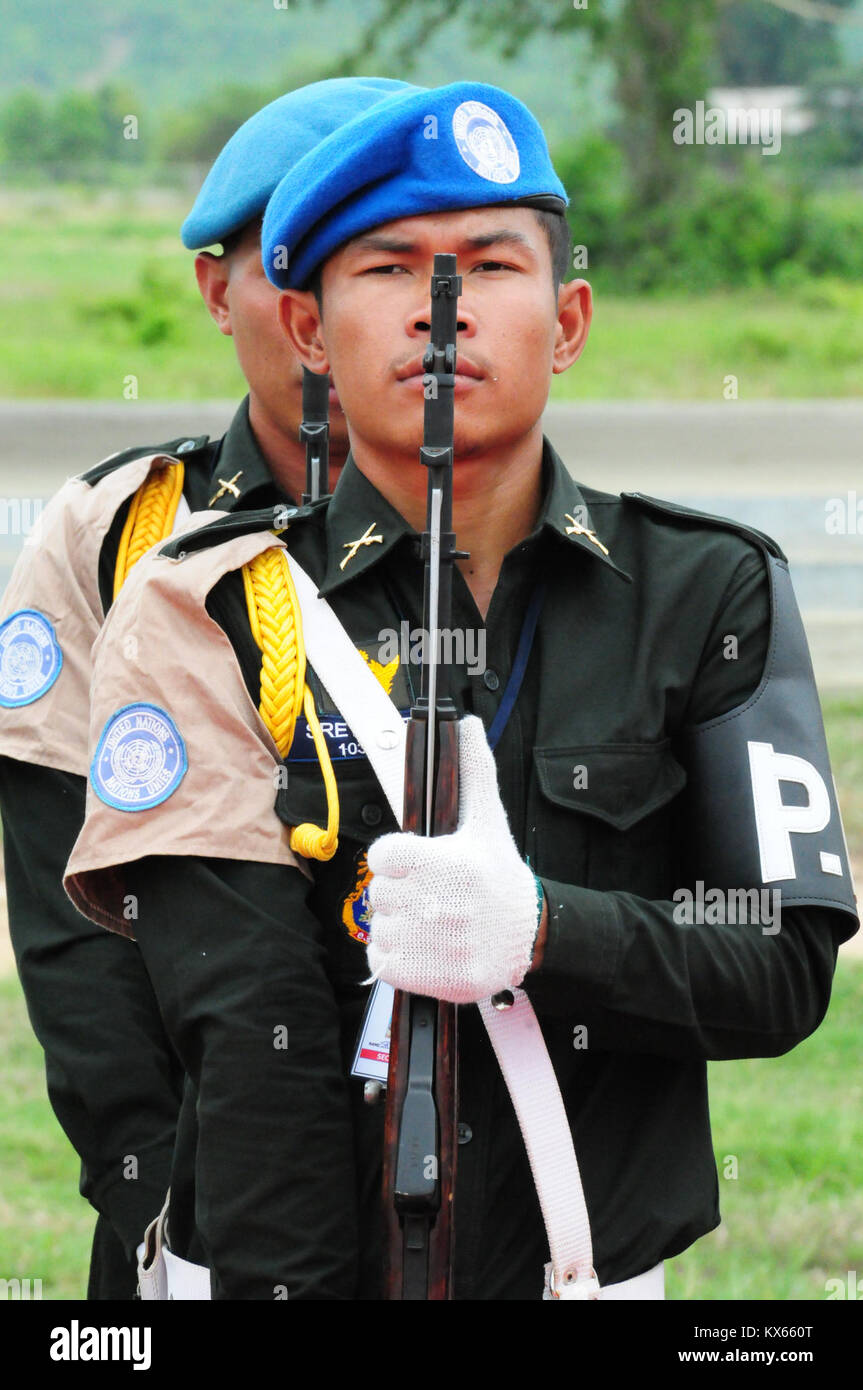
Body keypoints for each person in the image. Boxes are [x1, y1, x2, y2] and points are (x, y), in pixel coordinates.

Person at [65, 80, 858, 1300]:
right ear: (310, 332)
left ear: (571, 316)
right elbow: (247, 1036)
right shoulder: (207, 610)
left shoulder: (707, 591)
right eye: (388, 269)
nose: (443, 313)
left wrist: (544, 928)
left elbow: (782, 965)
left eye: (489, 264)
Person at [0, 76, 413, 1299]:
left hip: (496, 1196)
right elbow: (67, 919)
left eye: (388, 266)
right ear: (213, 289)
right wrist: (152, 1192)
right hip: (195, 1204)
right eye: (296, 266)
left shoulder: (526, 534)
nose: (336, 313)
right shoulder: (113, 534)